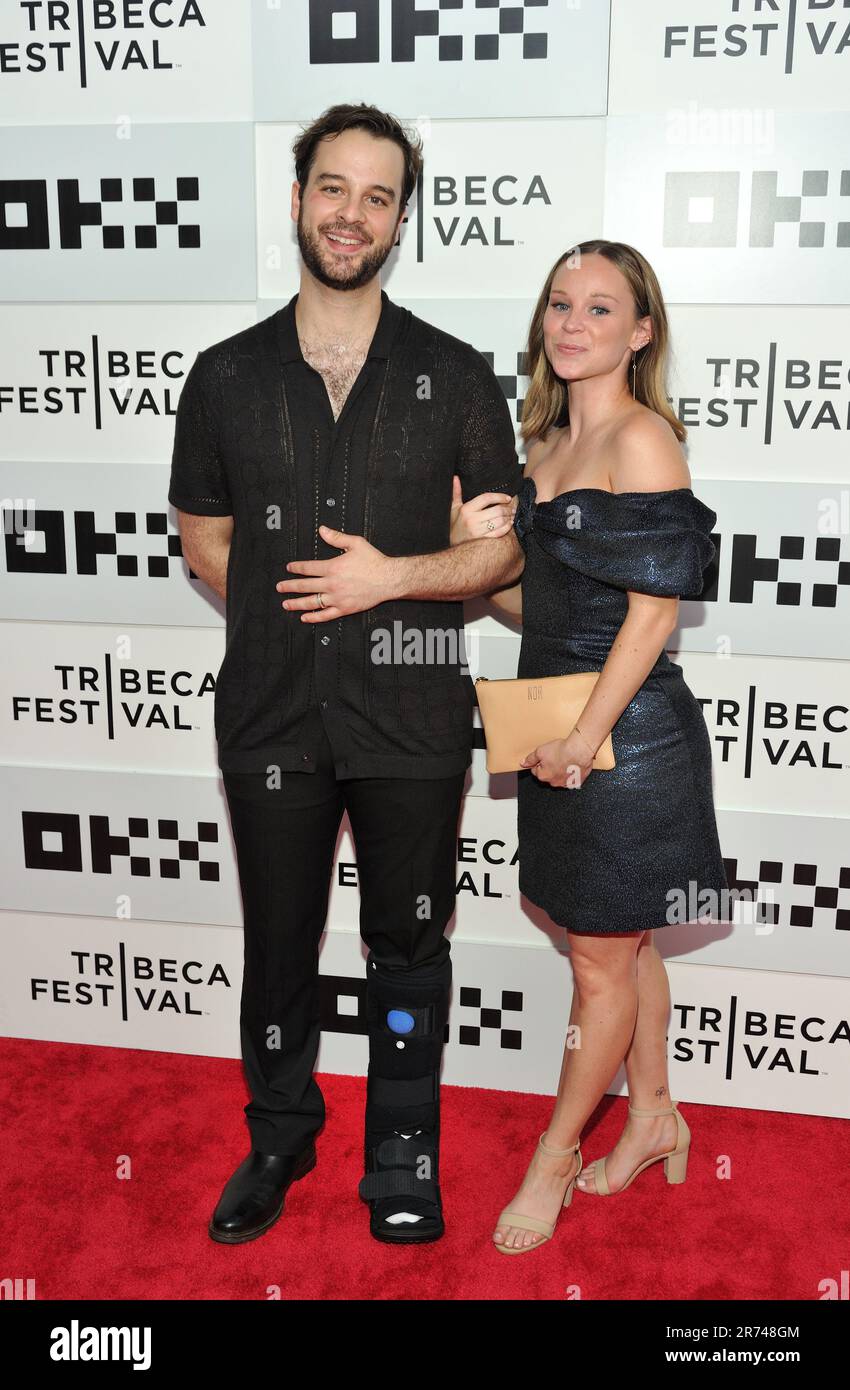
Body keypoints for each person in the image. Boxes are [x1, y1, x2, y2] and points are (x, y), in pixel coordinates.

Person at [168, 103, 524, 1245]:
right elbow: (203, 532)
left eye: (378, 195)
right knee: (278, 941)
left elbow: (503, 549)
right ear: (296, 200)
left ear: (401, 219)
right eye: (334, 188)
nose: (351, 213)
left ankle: (402, 1154)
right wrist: (295, 619)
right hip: (270, 714)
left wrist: (388, 583)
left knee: (407, 943)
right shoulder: (225, 376)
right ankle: (278, 1135)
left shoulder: (455, 373)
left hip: (412, 714)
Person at [452, 239, 728, 1253]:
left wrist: (582, 734)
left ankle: (556, 1153)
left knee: (600, 963)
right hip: (563, 724)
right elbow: (545, 607)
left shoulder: (641, 437)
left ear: (641, 331)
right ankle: (652, 1111)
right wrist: (478, 550)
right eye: (560, 305)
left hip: (627, 736)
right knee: (617, 939)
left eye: (600, 309)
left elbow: (652, 617)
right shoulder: (542, 446)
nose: (572, 324)